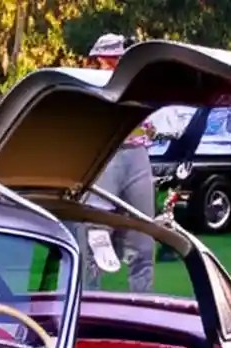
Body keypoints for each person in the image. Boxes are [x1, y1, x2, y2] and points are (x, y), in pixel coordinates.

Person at [81, 33, 156, 291]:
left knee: (143, 236)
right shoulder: (91, 84)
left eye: (118, 56)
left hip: (137, 155)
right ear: (99, 58)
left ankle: (142, 307)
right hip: (107, 156)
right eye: (110, 57)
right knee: (96, 235)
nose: (114, 61)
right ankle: (88, 304)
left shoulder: (137, 81)